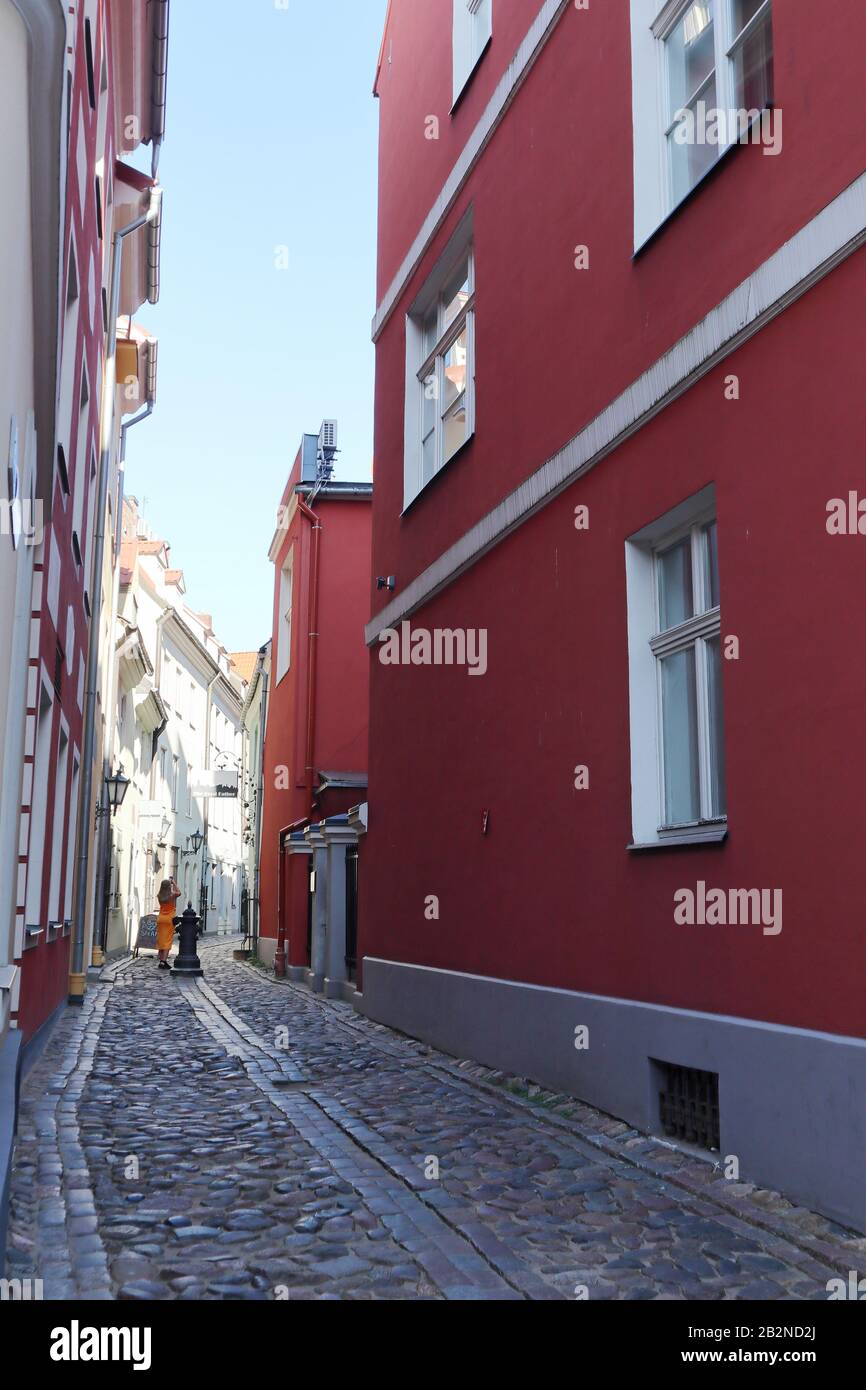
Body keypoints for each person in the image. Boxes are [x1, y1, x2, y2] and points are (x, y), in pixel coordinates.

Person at [156, 878, 181, 970]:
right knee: (167, 940)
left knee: (161, 939)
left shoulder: (159, 896)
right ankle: (163, 961)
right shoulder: (172, 895)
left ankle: (161, 959)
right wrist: (174, 883)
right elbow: (179, 892)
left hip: (160, 919)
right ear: (169, 886)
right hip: (169, 919)